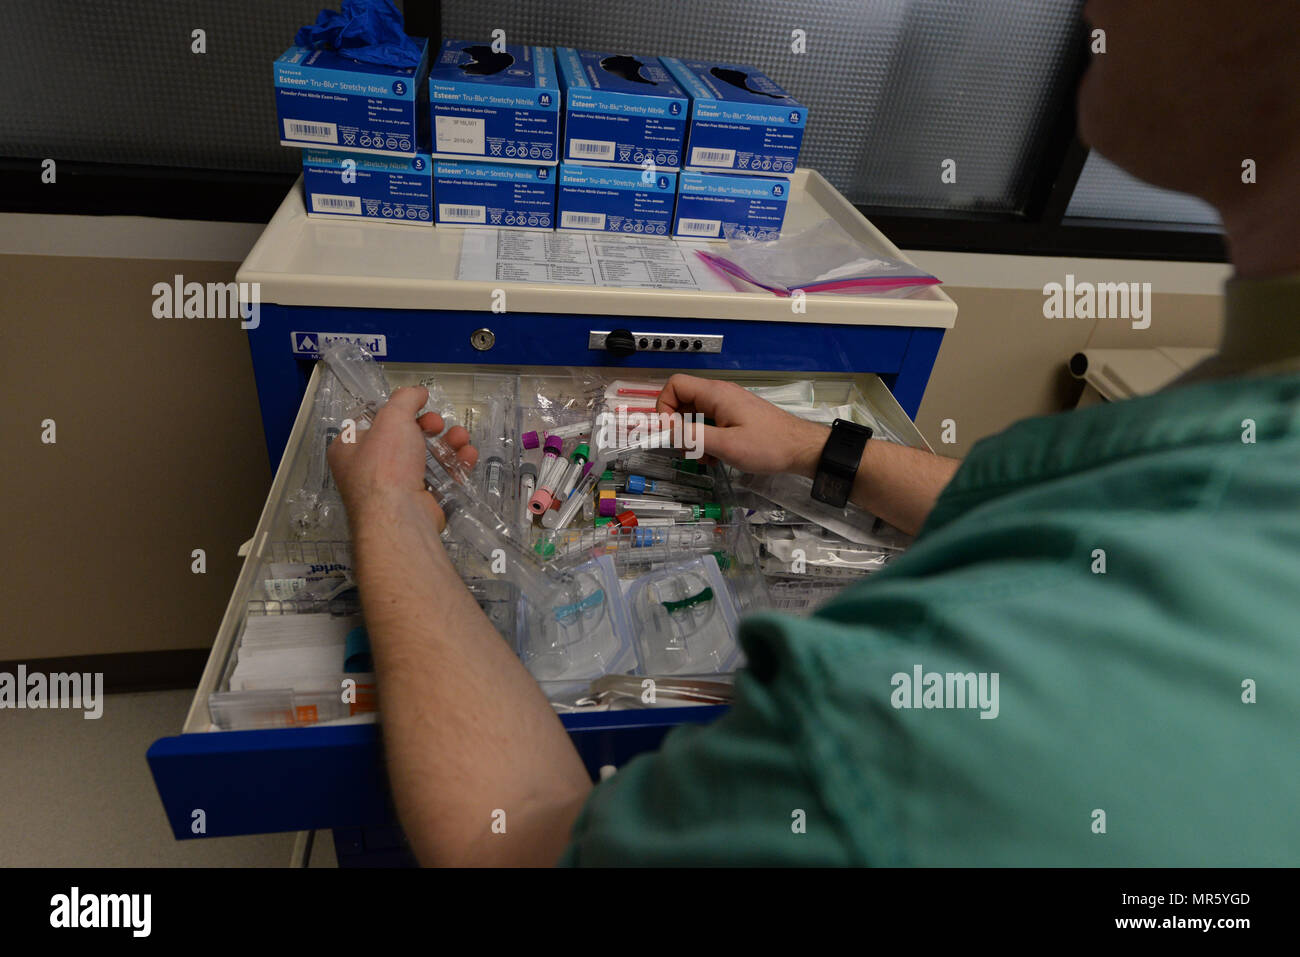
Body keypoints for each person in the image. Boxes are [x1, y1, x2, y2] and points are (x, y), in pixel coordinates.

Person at [327, 0, 1299, 866]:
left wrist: (392, 517)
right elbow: (1056, 523)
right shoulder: (1243, 438)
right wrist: (814, 450)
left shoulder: (912, 730)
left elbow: (516, 834)